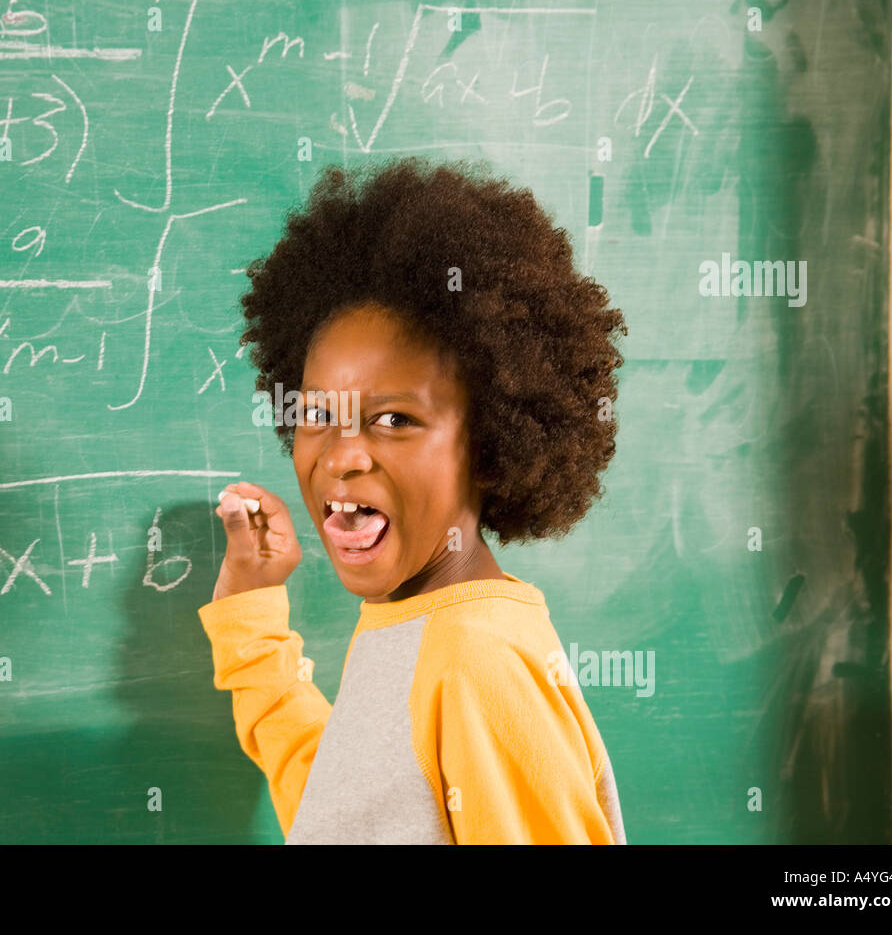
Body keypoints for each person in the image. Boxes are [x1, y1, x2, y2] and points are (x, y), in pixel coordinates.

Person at [199, 156, 629, 844]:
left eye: (395, 419)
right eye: (317, 415)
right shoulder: (417, 623)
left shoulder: (472, 666)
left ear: (490, 444)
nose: (341, 455)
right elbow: (344, 816)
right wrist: (250, 630)